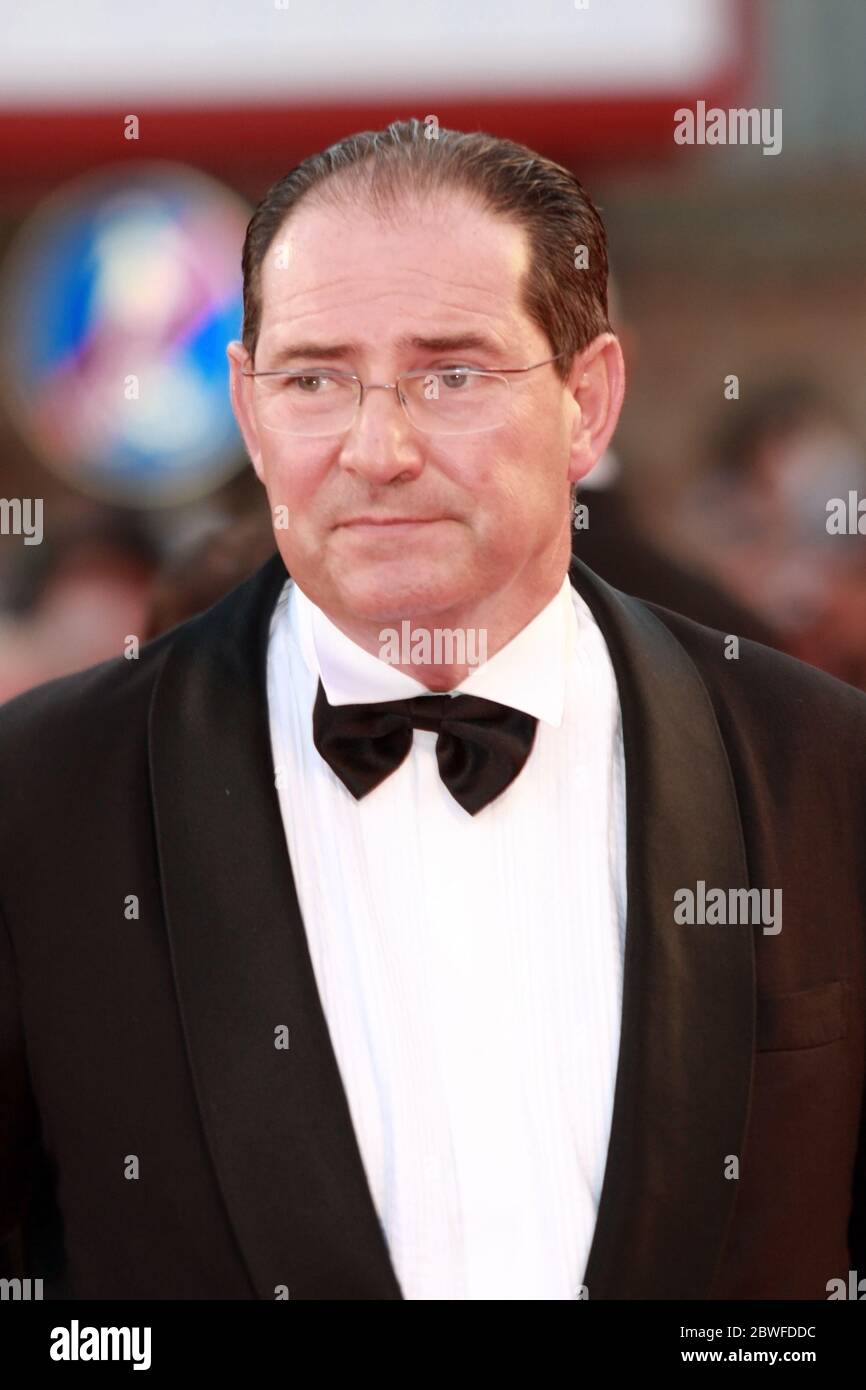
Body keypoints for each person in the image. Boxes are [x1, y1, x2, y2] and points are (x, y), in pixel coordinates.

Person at [1, 119, 864, 1302]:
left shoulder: (821, 766)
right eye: (314, 379)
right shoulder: (41, 797)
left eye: (449, 374)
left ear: (587, 403)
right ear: (248, 413)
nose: (377, 447)